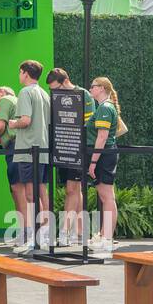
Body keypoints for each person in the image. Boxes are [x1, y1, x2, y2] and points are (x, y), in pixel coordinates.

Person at [46, 68, 96, 247]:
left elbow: (89, 124)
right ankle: (78, 232)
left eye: (55, 87)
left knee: (72, 189)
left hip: (79, 148)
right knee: (73, 190)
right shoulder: (57, 97)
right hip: (63, 146)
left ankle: (65, 232)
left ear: (64, 81)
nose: (54, 92)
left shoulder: (83, 95)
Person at [9, 59, 51, 254]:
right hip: (42, 148)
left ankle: (35, 238)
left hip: (28, 148)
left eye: (19, 72)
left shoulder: (25, 92)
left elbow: (25, 120)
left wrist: (12, 123)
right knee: (40, 193)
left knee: (30, 195)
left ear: (25, 73)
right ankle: (42, 236)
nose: (19, 76)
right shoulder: (43, 93)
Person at [84, 77, 123, 252]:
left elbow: (102, 136)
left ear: (101, 88)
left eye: (93, 86)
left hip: (103, 155)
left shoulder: (105, 108)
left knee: (107, 197)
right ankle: (105, 235)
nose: (90, 89)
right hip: (105, 154)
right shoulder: (105, 107)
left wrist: (93, 161)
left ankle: (107, 238)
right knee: (107, 196)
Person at [0, 85, 20, 239]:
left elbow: (0, 128)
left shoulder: (6, 100)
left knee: (17, 190)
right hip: (12, 147)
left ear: (1, 92)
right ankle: (27, 231)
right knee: (20, 190)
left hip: (15, 148)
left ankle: (26, 232)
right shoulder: (14, 102)